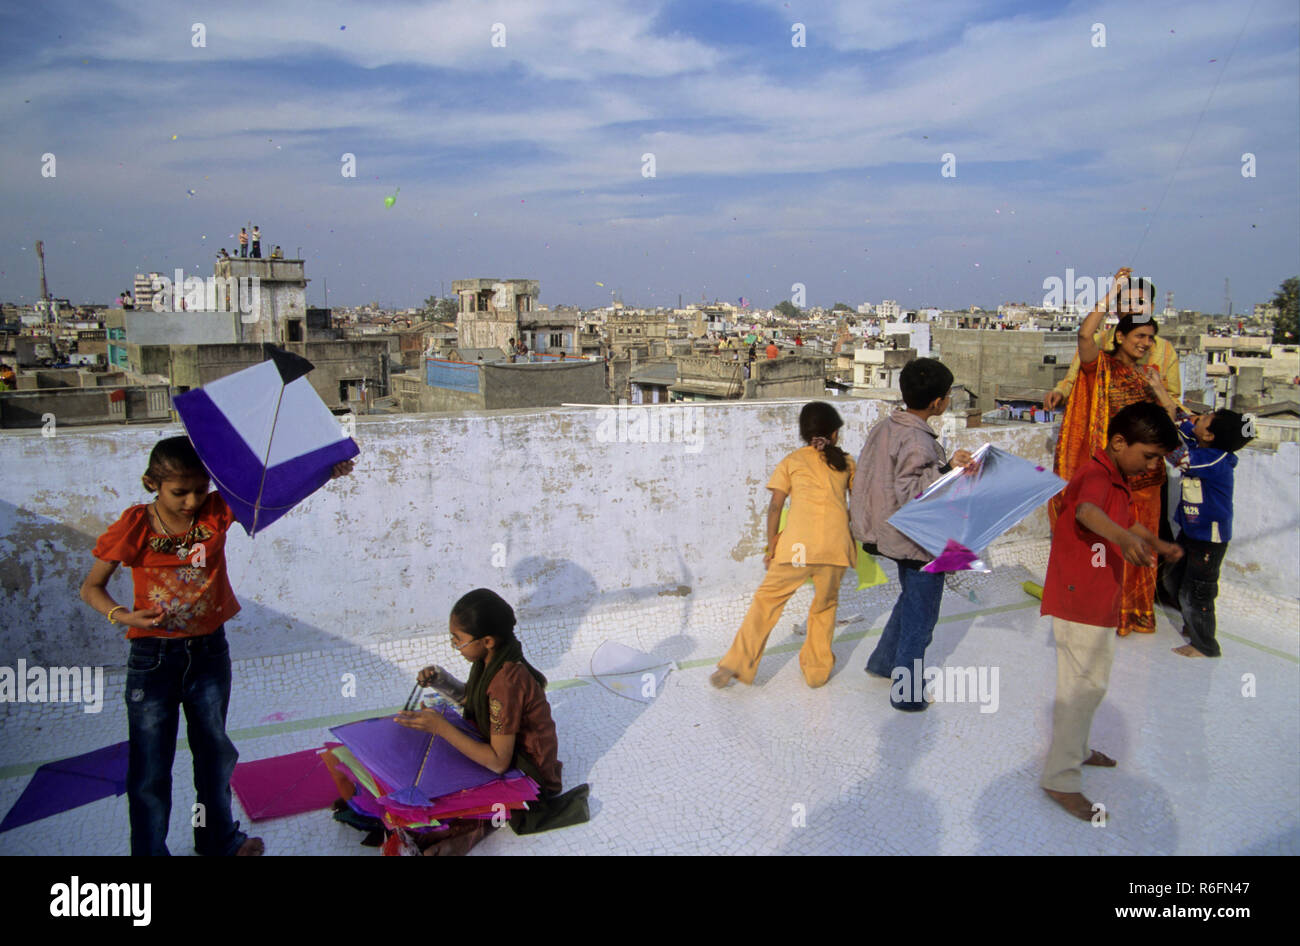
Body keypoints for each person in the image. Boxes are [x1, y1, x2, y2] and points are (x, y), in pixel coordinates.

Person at [80, 436, 354, 855]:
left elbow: (273, 494)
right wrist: (122, 615)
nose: (191, 501)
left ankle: (217, 840)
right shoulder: (134, 525)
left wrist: (325, 472)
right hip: (153, 660)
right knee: (150, 770)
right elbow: (91, 587)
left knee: (214, 756)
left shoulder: (216, 511)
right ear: (151, 483)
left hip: (209, 654)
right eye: (178, 492)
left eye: (199, 488)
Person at [1040, 402, 1183, 820]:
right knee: (1080, 689)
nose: (1152, 465)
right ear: (1119, 442)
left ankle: (1079, 749)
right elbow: (1087, 512)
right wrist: (1122, 539)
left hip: (1099, 599)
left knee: (1092, 684)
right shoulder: (1096, 475)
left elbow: (1128, 522)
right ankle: (1059, 778)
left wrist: (1157, 545)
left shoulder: (1117, 478)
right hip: (1079, 597)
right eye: (1150, 455)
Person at [396, 589, 590, 855]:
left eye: (458, 640)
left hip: (528, 773)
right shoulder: (490, 660)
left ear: (487, 640)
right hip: (501, 750)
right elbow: (473, 700)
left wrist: (441, 728)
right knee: (432, 750)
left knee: (446, 788)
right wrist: (440, 680)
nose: (455, 646)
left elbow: (499, 762)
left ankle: (459, 836)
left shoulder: (505, 683)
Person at [1051, 267, 1173, 635]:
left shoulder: (1149, 375)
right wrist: (1111, 294)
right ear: (1120, 336)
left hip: (1148, 479)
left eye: (1150, 337)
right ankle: (1107, 611)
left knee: (1139, 548)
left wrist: (1161, 392)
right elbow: (1085, 333)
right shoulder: (1099, 367)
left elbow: (1169, 427)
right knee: (1110, 544)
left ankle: (1135, 613)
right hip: (1114, 476)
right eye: (1139, 336)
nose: (1146, 343)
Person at [849, 358, 974, 711]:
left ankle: (883, 662)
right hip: (918, 541)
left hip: (888, 532)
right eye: (948, 395)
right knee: (922, 618)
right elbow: (915, 493)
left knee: (910, 600)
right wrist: (950, 471)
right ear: (937, 402)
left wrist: (947, 467)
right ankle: (907, 692)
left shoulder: (888, 426)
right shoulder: (919, 441)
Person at [711, 402, 857, 690]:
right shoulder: (848, 463)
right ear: (835, 433)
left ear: (804, 433)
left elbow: (775, 507)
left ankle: (736, 664)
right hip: (835, 547)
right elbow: (861, 503)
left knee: (766, 602)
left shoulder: (791, 461)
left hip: (797, 548)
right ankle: (817, 672)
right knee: (824, 608)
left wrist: (771, 546)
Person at [1160, 409, 1251, 658]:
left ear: (1209, 435)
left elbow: (1181, 459)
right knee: (1171, 577)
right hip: (1191, 531)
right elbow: (1182, 423)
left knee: (1197, 592)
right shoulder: (1200, 445)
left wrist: (1158, 436)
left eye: (1204, 419)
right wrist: (1159, 390)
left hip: (1209, 539)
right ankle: (1191, 621)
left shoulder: (1214, 459)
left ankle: (1205, 645)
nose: (1197, 419)